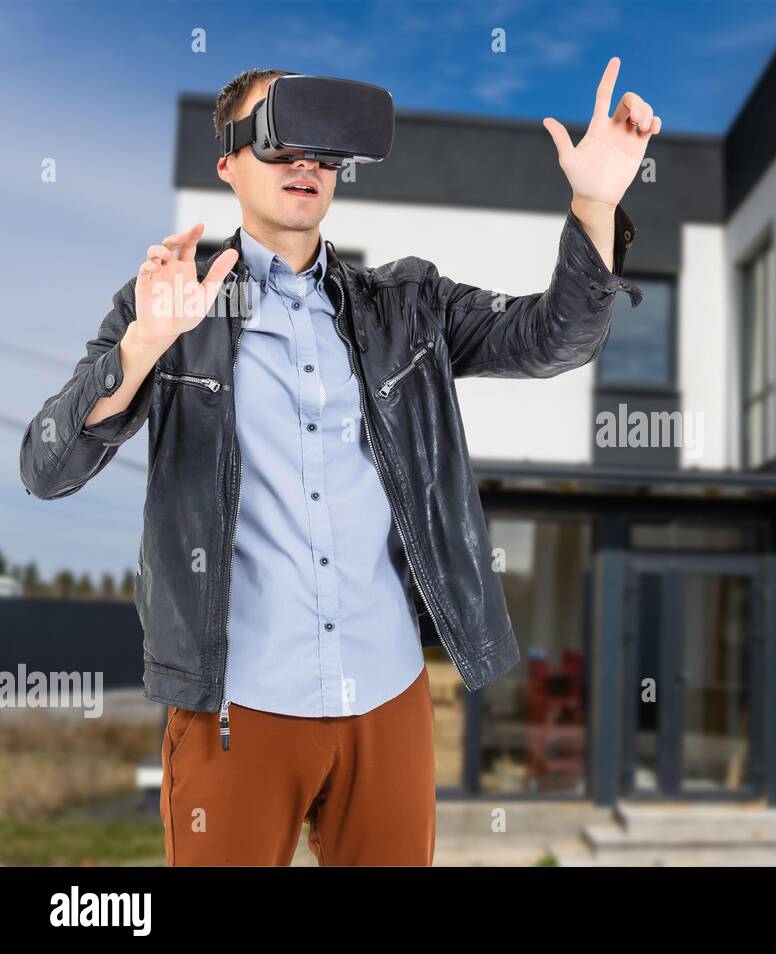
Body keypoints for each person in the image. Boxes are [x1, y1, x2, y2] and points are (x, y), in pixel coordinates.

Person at [17, 58, 659, 865]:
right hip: (234, 708)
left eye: (324, 149)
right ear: (228, 163)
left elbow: (553, 337)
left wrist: (595, 203)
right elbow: (46, 468)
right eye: (282, 139)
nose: (305, 164)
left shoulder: (407, 306)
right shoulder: (170, 310)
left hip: (386, 703)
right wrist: (145, 343)